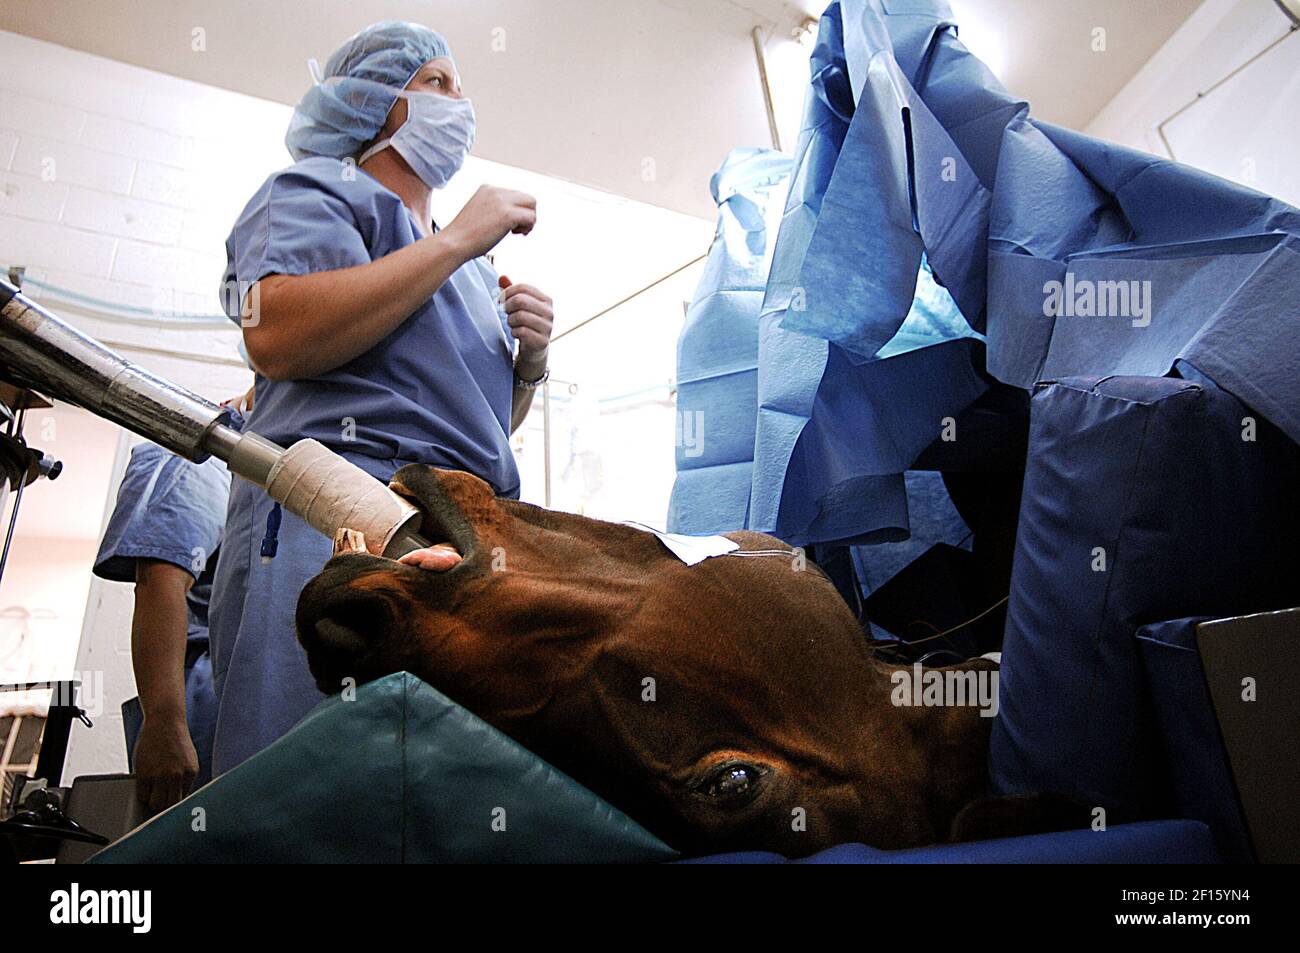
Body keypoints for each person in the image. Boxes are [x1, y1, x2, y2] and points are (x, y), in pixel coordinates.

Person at [210, 21, 554, 774]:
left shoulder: (464, 273)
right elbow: (278, 335)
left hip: (462, 531)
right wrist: (454, 242)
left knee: (435, 789)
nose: (458, 103)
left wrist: (527, 364)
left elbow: (470, 424)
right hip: (335, 516)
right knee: (306, 781)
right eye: (437, 83)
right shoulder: (314, 193)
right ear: (370, 101)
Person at [94, 395, 250, 812]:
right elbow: (160, 580)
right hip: (201, 706)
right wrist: (164, 724)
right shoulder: (199, 451)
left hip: (241, 702)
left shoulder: (265, 466)